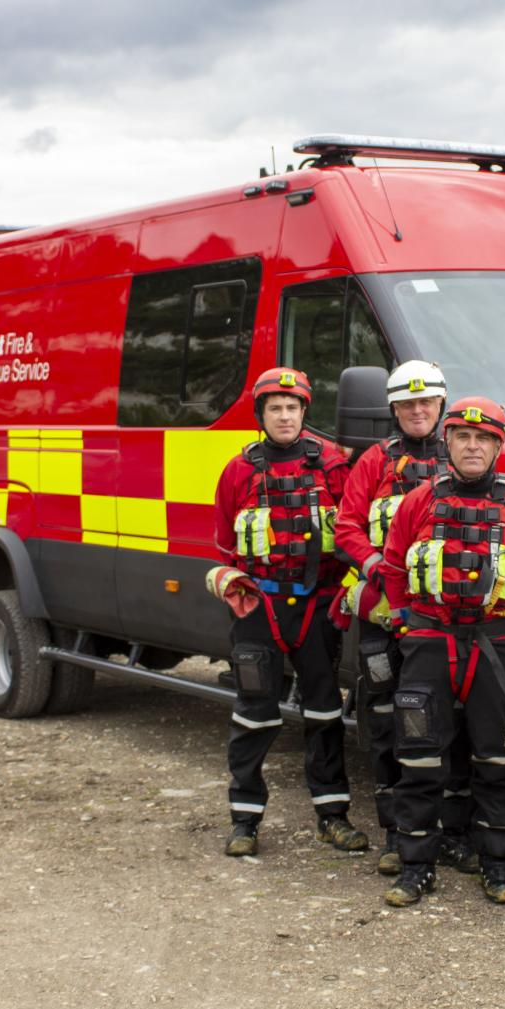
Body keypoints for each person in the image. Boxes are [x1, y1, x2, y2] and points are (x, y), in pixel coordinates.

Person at [379, 397, 505, 908]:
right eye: (464, 437)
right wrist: (410, 625)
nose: (474, 446)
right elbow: (392, 567)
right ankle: (415, 867)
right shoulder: (419, 501)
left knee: (496, 758)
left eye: (484, 438)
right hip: (430, 640)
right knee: (420, 756)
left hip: (494, 642)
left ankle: (496, 864)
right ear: (447, 442)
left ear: (498, 445)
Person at [206, 366, 367, 858]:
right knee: (254, 716)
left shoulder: (332, 468)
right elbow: (223, 547)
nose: (283, 416)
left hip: (316, 608)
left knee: (324, 714)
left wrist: (345, 592)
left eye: (292, 408)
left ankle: (333, 817)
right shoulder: (238, 471)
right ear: (261, 415)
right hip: (260, 609)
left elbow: (349, 534)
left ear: (304, 413)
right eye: (274, 408)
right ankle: (244, 822)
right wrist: (230, 583)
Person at [333, 360, 476, 877]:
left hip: (443, 615)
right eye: (408, 404)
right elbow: (347, 524)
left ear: (441, 405)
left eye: (427, 402)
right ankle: (398, 833)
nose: (418, 411)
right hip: (383, 610)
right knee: (388, 720)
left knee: (453, 721)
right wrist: (377, 568)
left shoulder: (463, 453)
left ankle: (454, 833)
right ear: (393, 409)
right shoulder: (372, 462)